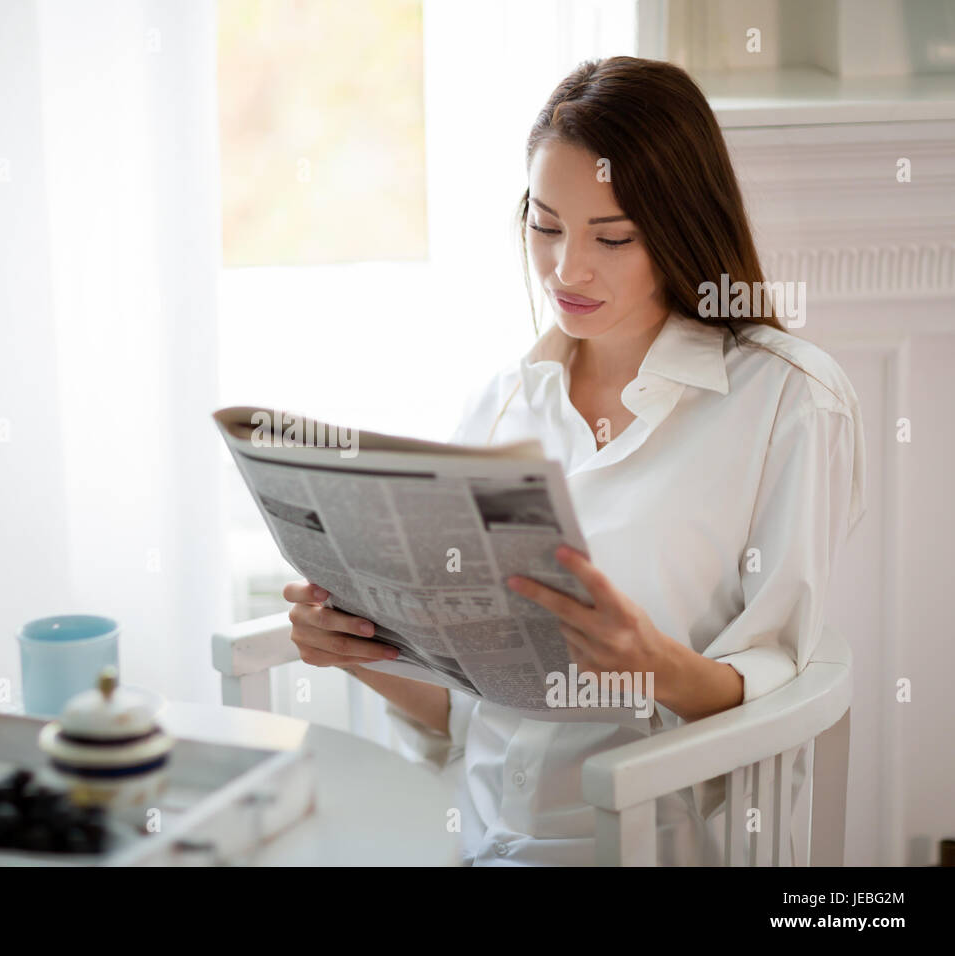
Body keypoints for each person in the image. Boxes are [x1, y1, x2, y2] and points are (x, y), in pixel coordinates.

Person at [281, 56, 866, 866]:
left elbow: (777, 674)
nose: (567, 270)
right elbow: (473, 714)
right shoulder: (501, 404)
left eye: (612, 236)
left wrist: (657, 667)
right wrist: (362, 652)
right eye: (545, 225)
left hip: (643, 842)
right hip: (476, 838)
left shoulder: (786, 400)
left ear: (681, 224)